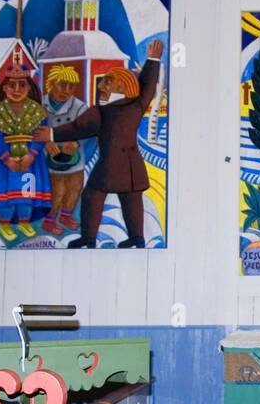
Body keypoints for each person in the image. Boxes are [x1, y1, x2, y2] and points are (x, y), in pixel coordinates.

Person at [34, 40, 165, 249]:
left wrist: (51, 133)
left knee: (92, 196)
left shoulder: (101, 112)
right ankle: (137, 238)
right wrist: (153, 60)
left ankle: (89, 238)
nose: (101, 86)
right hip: (131, 166)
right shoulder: (136, 106)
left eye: (108, 82)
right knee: (131, 200)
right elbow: (148, 87)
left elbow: (77, 128)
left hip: (109, 165)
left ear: (121, 86)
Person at [0, 65, 51, 241]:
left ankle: (24, 221)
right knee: (5, 192)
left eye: (22, 85)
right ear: (4, 88)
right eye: (12, 85)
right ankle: (4, 223)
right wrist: (6, 158)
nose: (17, 90)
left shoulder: (38, 111)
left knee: (26, 193)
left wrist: (31, 155)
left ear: (29, 88)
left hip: (30, 160)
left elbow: (41, 134)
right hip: (3, 161)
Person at [40, 64, 89, 236]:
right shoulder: (40, 105)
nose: (66, 90)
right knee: (57, 191)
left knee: (75, 188)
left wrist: (76, 142)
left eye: (71, 86)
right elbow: (33, 130)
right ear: (52, 83)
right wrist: (45, 143)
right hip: (51, 157)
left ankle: (66, 216)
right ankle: (50, 220)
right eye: (62, 84)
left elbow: (87, 129)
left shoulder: (80, 107)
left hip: (74, 157)